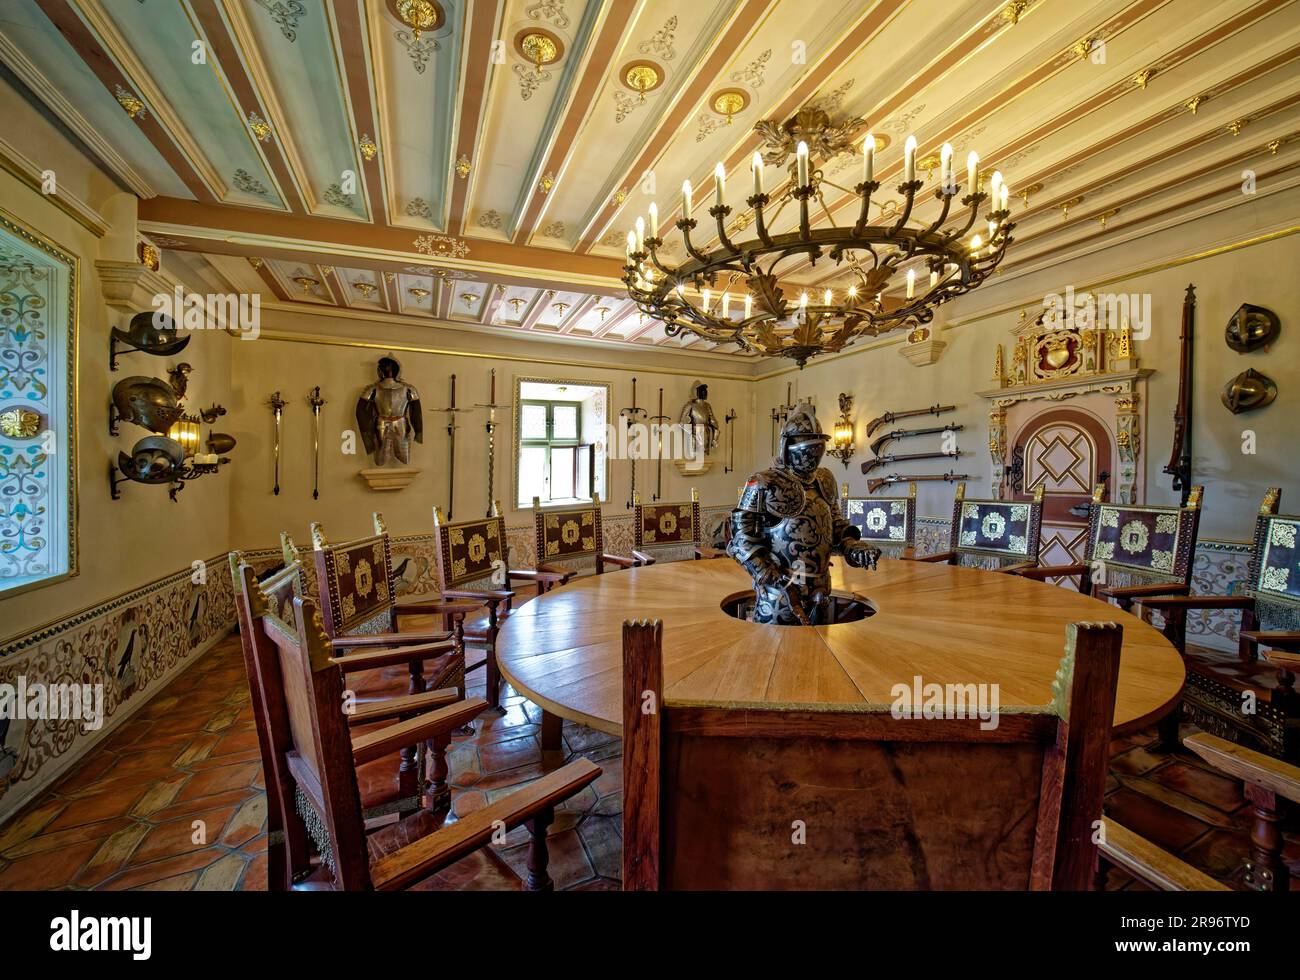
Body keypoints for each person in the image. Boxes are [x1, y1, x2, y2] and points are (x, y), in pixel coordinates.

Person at [729, 402, 880, 624]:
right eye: (807, 447)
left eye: (817, 446)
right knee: (773, 655)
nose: (813, 455)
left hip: (821, 591)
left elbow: (836, 526)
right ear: (788, 446)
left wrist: (853, 546)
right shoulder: (762, 483)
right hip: (779, 597)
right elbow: (740, 542)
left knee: (817, 656)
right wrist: (773, 578)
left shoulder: (825, 479)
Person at [356, 355, 423, 466]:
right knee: (380, 460)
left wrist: (418, 429)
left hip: (391, 424)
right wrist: (366, 428)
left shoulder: (374, 389)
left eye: (389, 367)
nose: (388, 369)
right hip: (385, 424)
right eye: (386, 367)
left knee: (404, 459)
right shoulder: (373, 389)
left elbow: (416, 411)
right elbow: (361, 411)